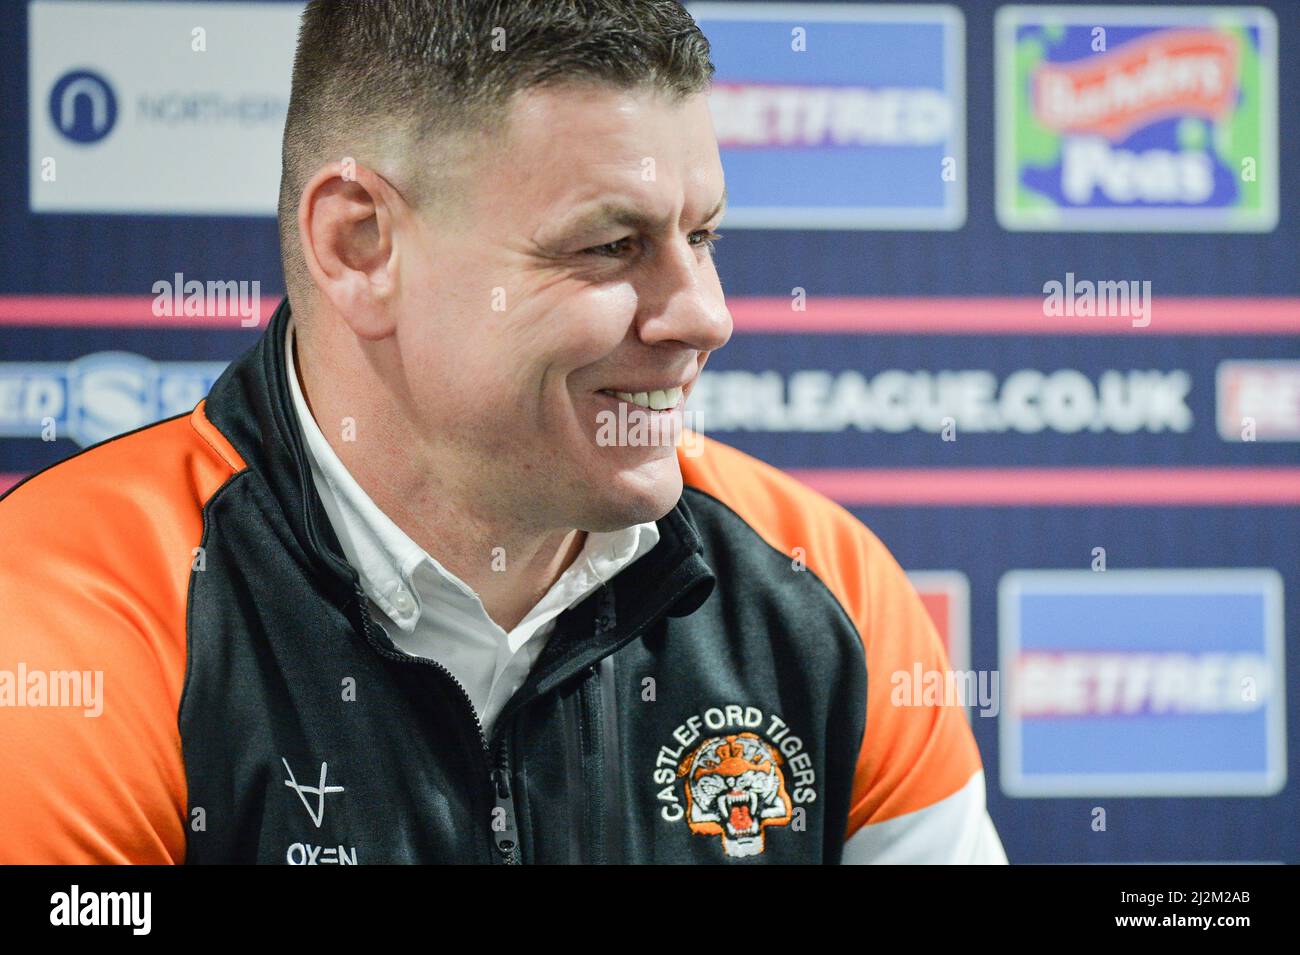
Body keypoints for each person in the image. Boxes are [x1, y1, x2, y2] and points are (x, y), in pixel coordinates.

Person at [0, 0, 1006, 864]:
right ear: (361, 245)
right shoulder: (67, 616)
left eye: (700, 237)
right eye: (612, 245)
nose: (704, 315)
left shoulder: (818, 584)